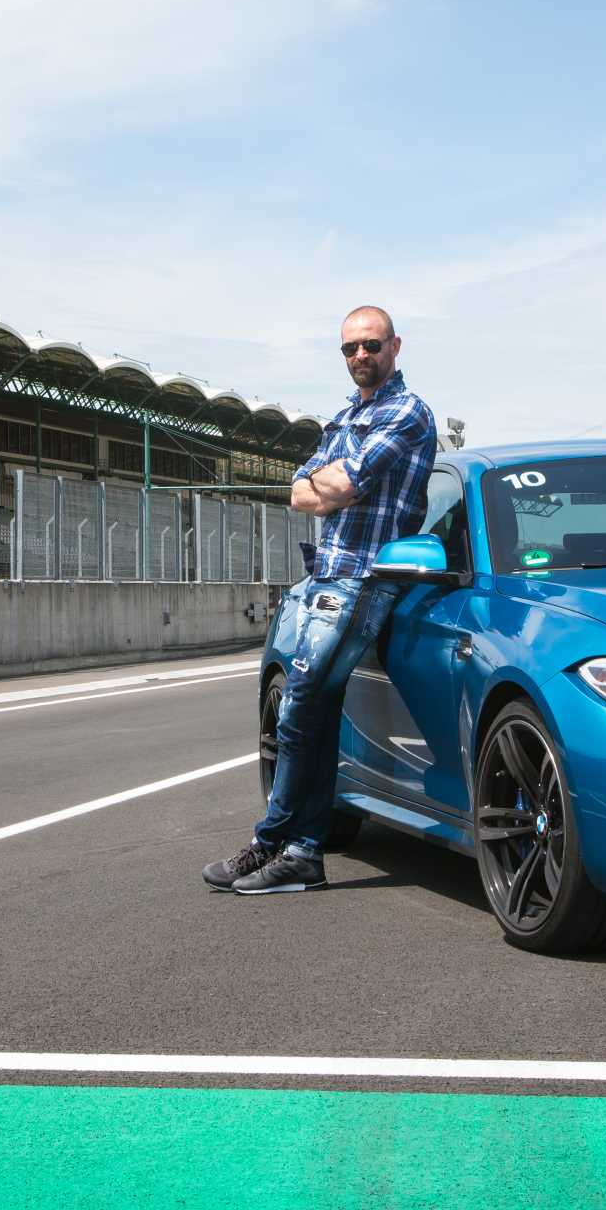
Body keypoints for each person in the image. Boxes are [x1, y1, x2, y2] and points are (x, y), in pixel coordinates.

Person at [203, 305, 436, 894]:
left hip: (365, 577)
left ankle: (274, 842)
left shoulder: (409, 413)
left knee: (302, 705)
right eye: (350, 348)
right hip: (323, 578)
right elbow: (299, 491)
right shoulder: (344, 416)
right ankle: (301, 848)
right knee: (313, 708)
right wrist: (325, 488)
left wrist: (329, 488)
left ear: (395, 346)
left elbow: (342, 483)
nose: (361, 356)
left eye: (372, 345)